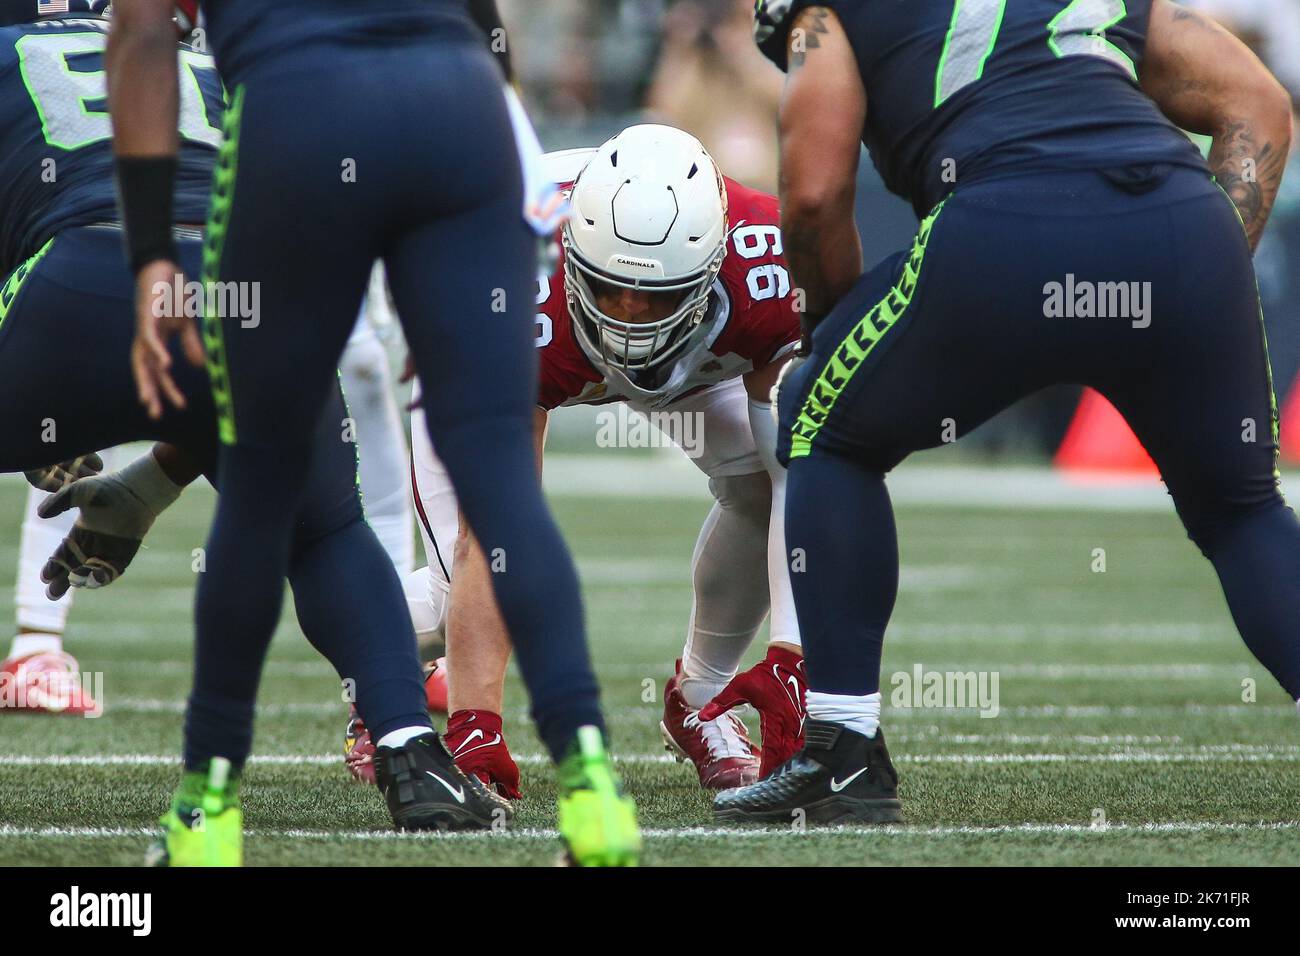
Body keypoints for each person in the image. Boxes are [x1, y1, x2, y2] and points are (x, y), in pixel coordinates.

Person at [716, 0, 1299, 824]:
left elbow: (812, 192)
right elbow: (1261, 105)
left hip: (1009, 230)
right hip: (1180, 225)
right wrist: (1188, 267)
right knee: (1241, 509)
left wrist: (826, 334)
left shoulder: (827, 16)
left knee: (822, 422)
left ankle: (843, 754)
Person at [105, 0, 639, 865]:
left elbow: (139, 33)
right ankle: (592, 785)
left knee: (264, 482)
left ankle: (206, 815)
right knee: (500, 477)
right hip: (456, 104)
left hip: (300, 105)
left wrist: (149, 256)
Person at [353, 125, 808, 796]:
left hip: (689, 362)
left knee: (771, 475)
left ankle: (701, 700)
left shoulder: (766, 260)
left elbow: (807, 472)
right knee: (468, 576)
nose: (630, 314)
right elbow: (497, 527)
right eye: (612, 289)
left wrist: (793, 657)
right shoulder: (506, 275)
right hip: (534, 337)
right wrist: (477, 728)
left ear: (712, 263)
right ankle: (385, 687)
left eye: (654, 295)